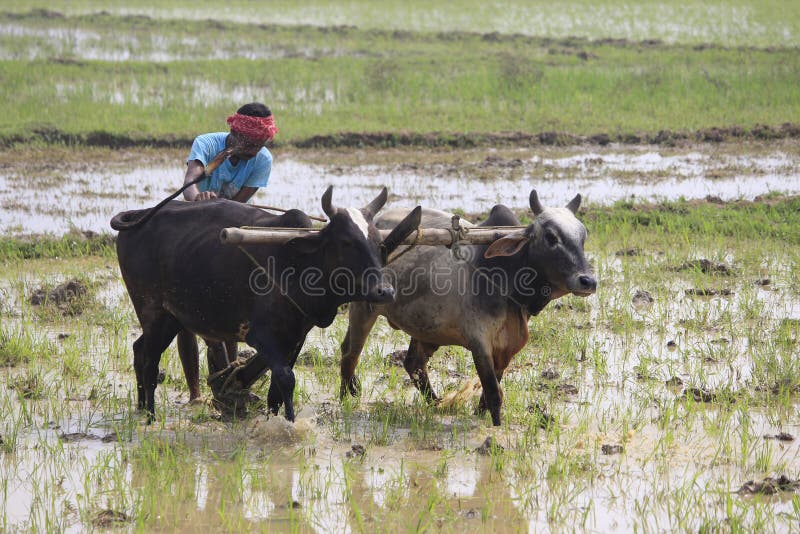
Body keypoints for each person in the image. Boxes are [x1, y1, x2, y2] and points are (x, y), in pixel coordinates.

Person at [182, 102, 278, 203]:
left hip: (234, 214)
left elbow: (238, 204)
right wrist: (198, 198)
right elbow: (190, 183)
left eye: (260, 146)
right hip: (199, 209)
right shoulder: (205, 144)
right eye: (250, 145)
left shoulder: (263, 159)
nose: (254, 152)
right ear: (234, 132)